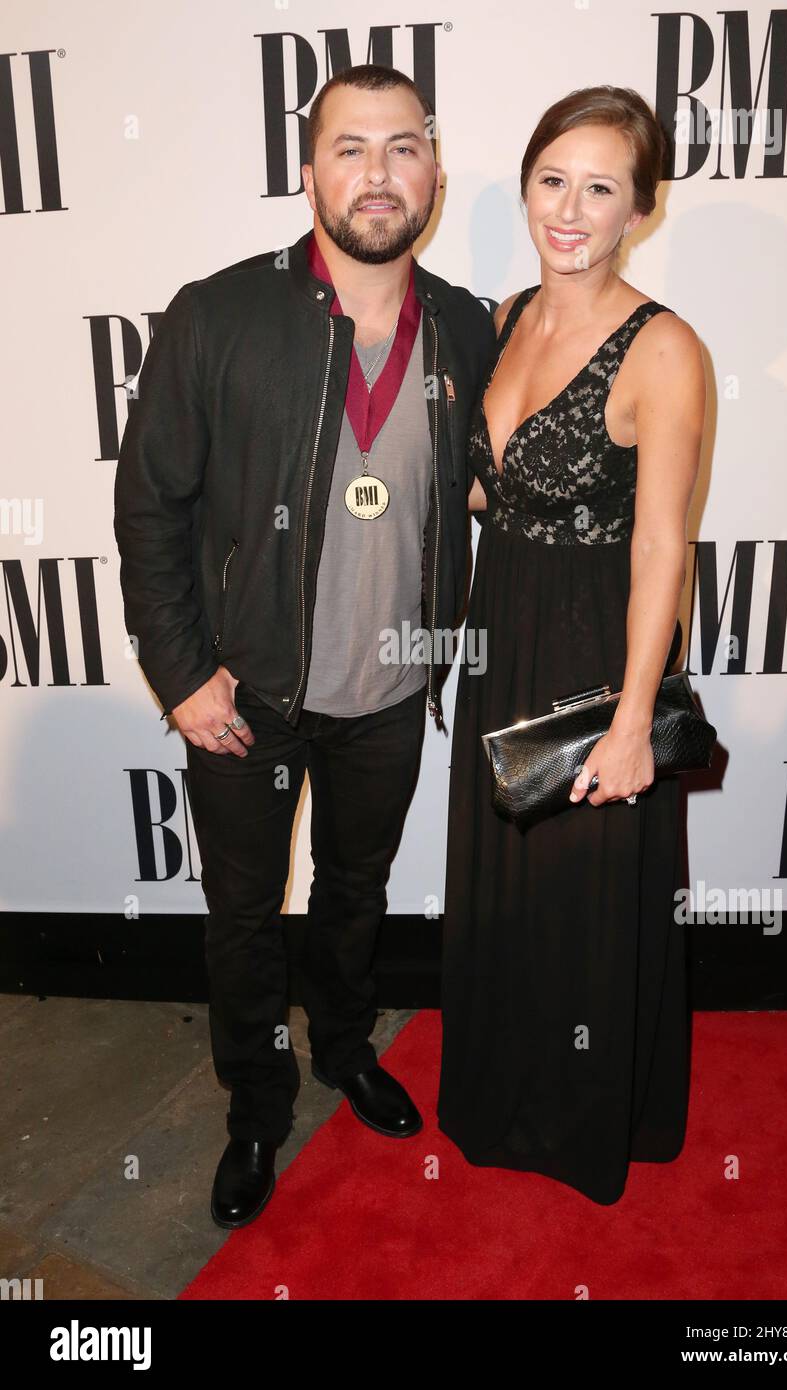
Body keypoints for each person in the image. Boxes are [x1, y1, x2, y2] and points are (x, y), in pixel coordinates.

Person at [113, 63, 495, 1228]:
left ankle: (340, 1047)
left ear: (432, 167)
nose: (376, 176)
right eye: (349, 148)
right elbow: (149, 507)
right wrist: (181, 674)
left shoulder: (471, 328)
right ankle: (255, 1105)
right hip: (245, 692)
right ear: (306, 168)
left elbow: (487, 487)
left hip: (388, 690)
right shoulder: (218, 313)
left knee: (356, 889)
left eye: (400, 149)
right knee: (240, 914)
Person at [437, 86, 707, 1205]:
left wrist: (635, 718)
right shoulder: (504, 315)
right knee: (504, 889)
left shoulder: (664, 349)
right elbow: (476, 489)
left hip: (598, 648)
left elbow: (662, 549)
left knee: (582, 896)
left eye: (600, 188)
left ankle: (586, 1115)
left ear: (638, 210)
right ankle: (501, 1089)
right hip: (504, 630)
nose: (569, 208)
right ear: (525, 184)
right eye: (552, 179)